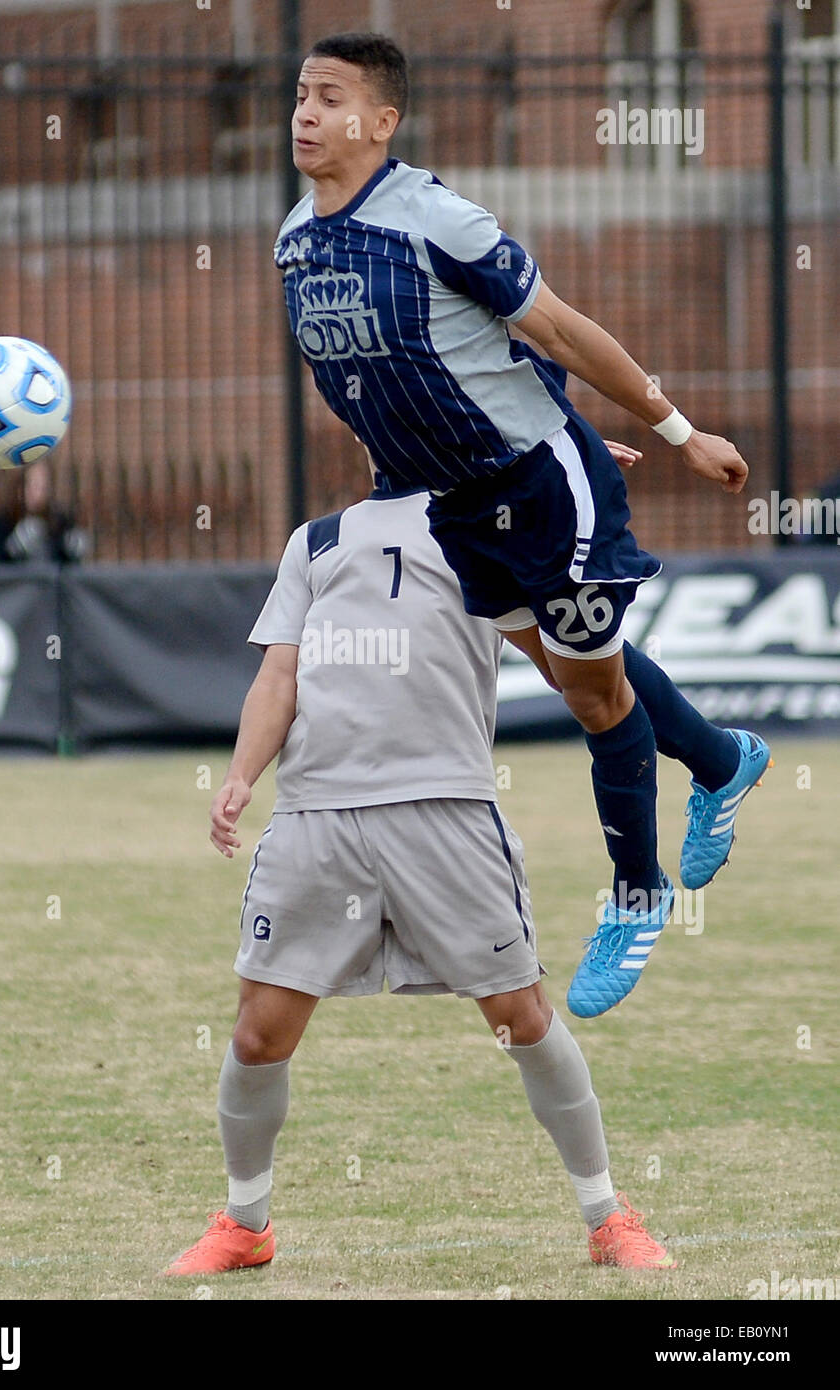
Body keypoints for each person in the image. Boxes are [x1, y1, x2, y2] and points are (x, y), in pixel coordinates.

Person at [274, 31, 771, 1019]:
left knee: (592, 695)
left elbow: (555, 329)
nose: (304, 114)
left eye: (329, 98)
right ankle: (719, 760)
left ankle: (636, 895)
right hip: (459, 507)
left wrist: (675, 431)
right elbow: (386, 378)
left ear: (382, 121)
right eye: (299, 96)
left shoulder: (433, 217)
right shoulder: (296, 240)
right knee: (573, 670)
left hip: (545, 486)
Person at [161, 455, 675, 1279]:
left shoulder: (487, 531)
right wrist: (239, 778)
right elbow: (278, 674)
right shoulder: (317, 542)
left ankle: (607, 1215)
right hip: (315, 817)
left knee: (522, 1017)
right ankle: (245, 1222)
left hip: (448, 809)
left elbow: (571, 659)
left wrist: (560, 470)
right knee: (259, 1033)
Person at [0, 460, 88, 563]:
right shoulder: (2, 523)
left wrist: (73, 546)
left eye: (40, 486)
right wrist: (12, 549)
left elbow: (67, 562)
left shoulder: (59, 523)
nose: (34, 492)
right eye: (29, 484)